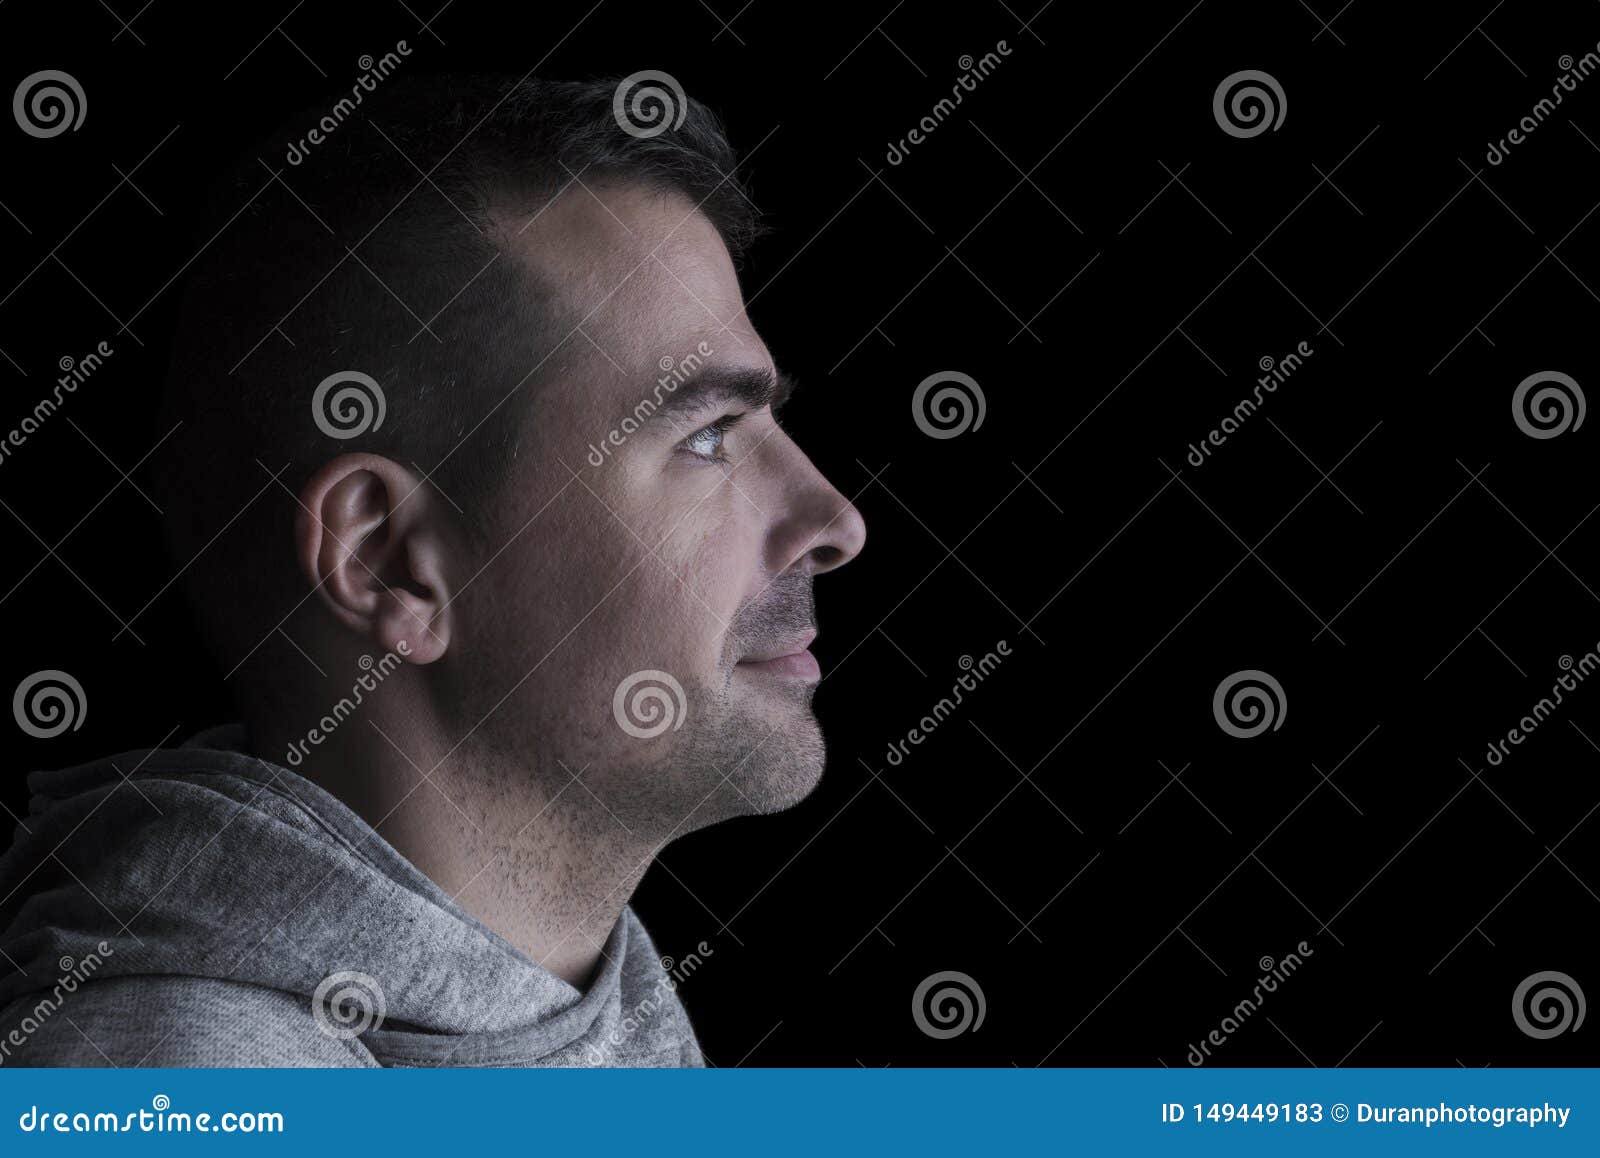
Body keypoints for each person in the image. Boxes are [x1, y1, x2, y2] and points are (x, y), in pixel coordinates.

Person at [0, 74, 865, 1067]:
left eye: (768, 425)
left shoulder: (585, 1030)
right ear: (388, 562)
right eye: (708, 437)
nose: (835, 521)